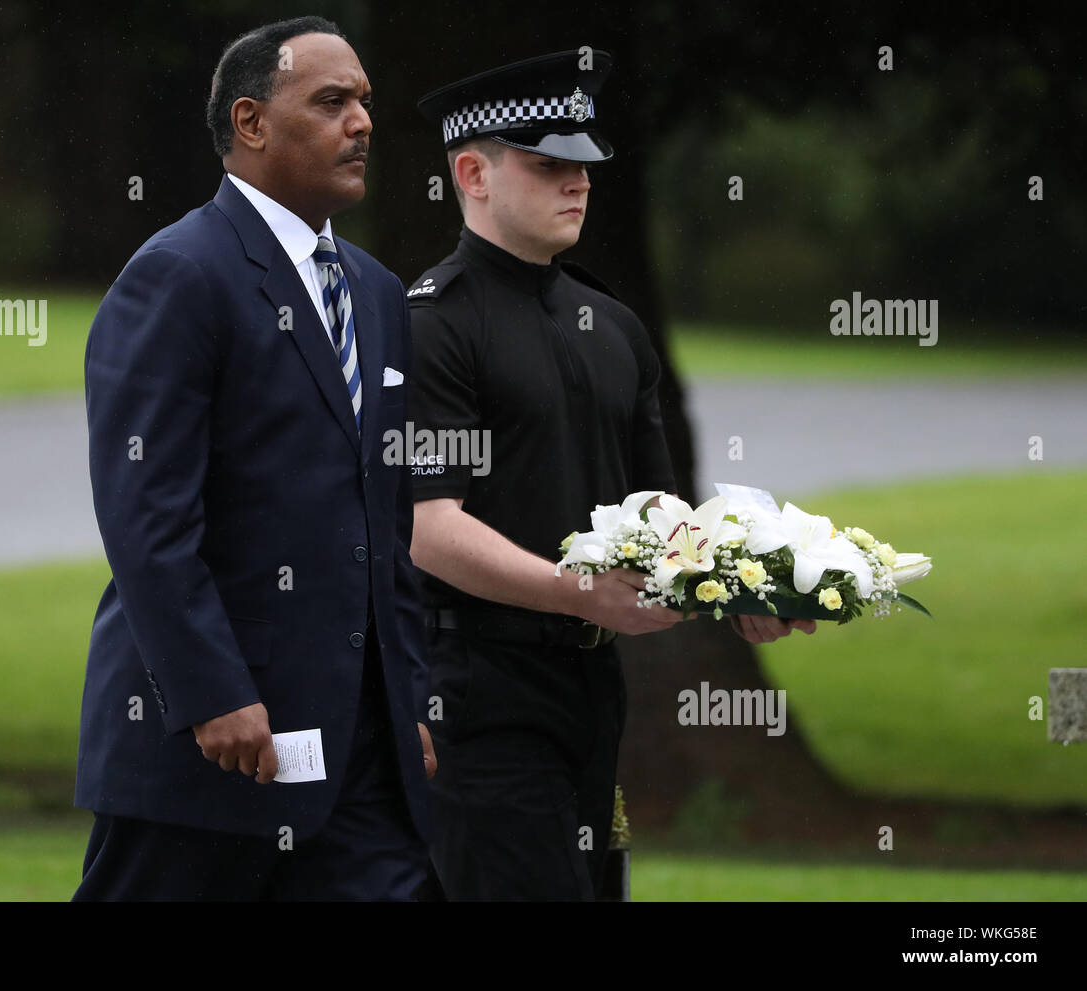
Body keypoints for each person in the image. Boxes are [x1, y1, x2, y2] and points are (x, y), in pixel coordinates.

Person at [406, 50, 814, 901]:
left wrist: (733, 585)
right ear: (473, 173)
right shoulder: (433, 325)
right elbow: (430, 529)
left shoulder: (616, 327)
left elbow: (658, 510)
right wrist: (576, 592)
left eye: (585, 164)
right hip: (479, 692)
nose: (579, 182)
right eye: (549, 163)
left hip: (591, 693)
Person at [72, 16, 434, 901]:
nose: (363, 123)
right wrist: (209, 692)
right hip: (213, 751)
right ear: (250, 123)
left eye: (366, 103)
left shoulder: (381, 293)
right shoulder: (179, 274)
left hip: (362, 756)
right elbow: (146, 514)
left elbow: (386, 523)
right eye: (332, 101)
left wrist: (415, 696)